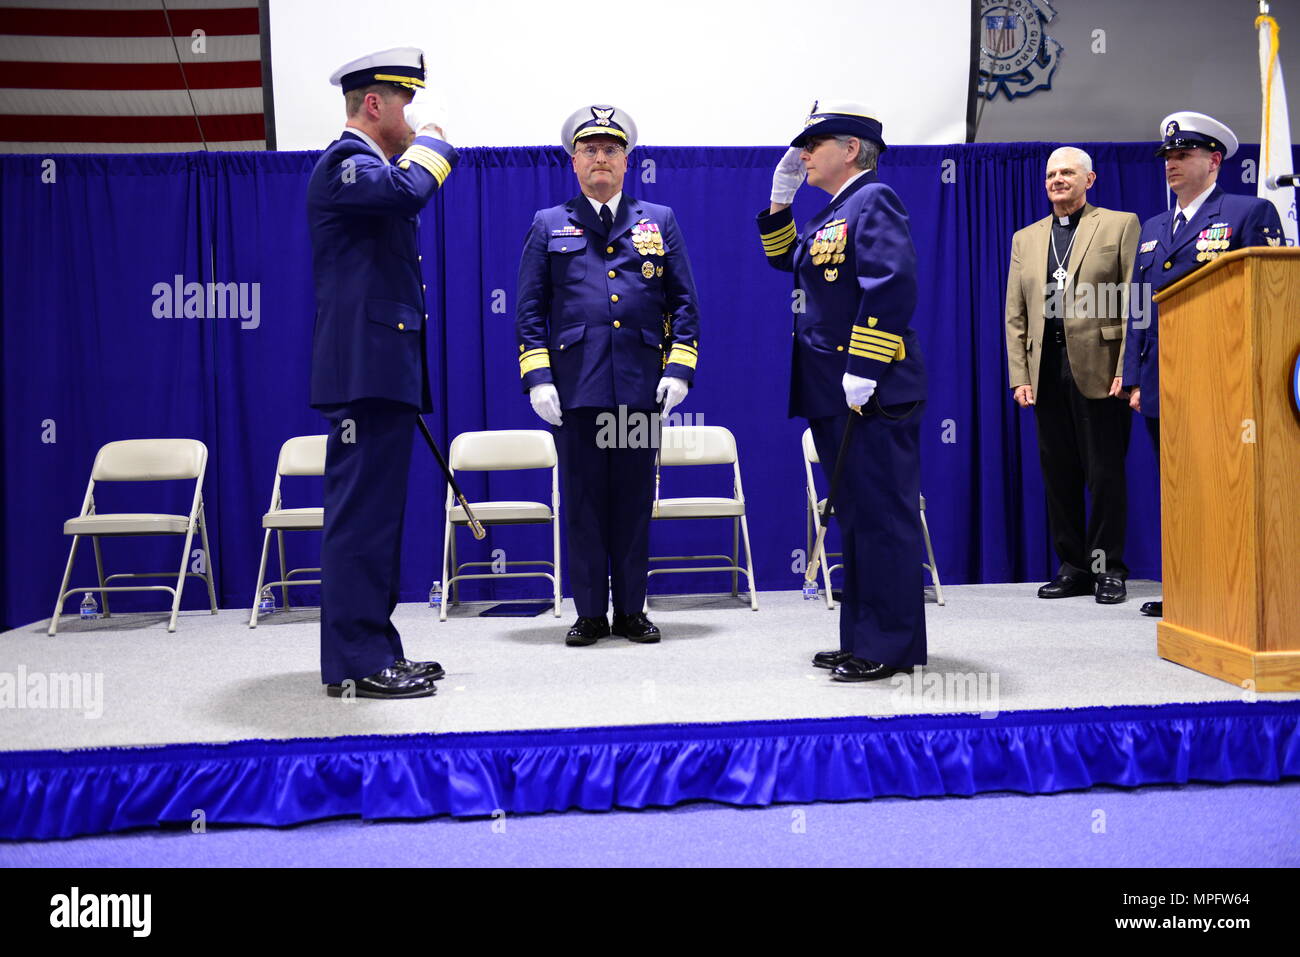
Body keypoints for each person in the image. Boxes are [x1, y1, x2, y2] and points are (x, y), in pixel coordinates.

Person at [515, 105, 702, 647]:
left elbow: (684, 301)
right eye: (590, 150)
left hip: (638, 389)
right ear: (574, 162)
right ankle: (591, 612)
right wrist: (538, 377)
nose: (601, 158)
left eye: (611, 150)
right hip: (577, 390)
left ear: (627, 161)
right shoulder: (549, 223)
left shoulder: (657, 220)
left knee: (632, 500)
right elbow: (529, 309)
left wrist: (680, 368)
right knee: (585, 502)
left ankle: (632, 611)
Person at [757, 101, 927, 681]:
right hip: (835, 390)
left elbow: (892, 284)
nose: (802, 153)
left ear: (851, 148)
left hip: (870, 388)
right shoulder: (834, 210)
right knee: (855, 516)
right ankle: (862, 636)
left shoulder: (873, 199)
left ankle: (890, 646)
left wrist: (865, 364)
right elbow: (787, 262)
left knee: (883, 517)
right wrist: (782, 200)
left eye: (814, 143)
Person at [307, 47, 457, 698]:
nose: (414, 116)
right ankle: (357, 659)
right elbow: (406, 192)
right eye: (407, 104)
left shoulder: (366, 168)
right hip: (363, 375)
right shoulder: (346, 164)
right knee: (360, 520)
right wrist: (434, 147)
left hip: (381, 373)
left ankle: (377, 647)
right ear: (376, 104)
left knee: (378, 520)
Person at [1122, 111, 1285, 618]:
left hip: (1222, 378)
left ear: (1213, 161)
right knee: (1179, 488)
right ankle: (1186, 590)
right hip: (1160, 381)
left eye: (1183, 154)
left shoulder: (1246, 212)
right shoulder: (1152, 227)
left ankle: (1229, 589)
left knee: (1225, 487)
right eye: (1168, 155)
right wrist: (1132, 377)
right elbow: (1136, 308)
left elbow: (1269, 296)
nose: (1171, 163)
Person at [1005, 147, 1140, 604]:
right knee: (1057, 473)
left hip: (1101, 368)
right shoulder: (1026, 238)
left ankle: (1108, 569)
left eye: (1067, 173)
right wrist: (1019, 375)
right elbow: (1015, 315)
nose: (1057, 180)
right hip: (1045, 369)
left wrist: (1128, 367)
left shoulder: (1120, 224)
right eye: (1051, 174)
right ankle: (1074, 567)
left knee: (1104, 473)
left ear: (1090, 179)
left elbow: (1132, 301)